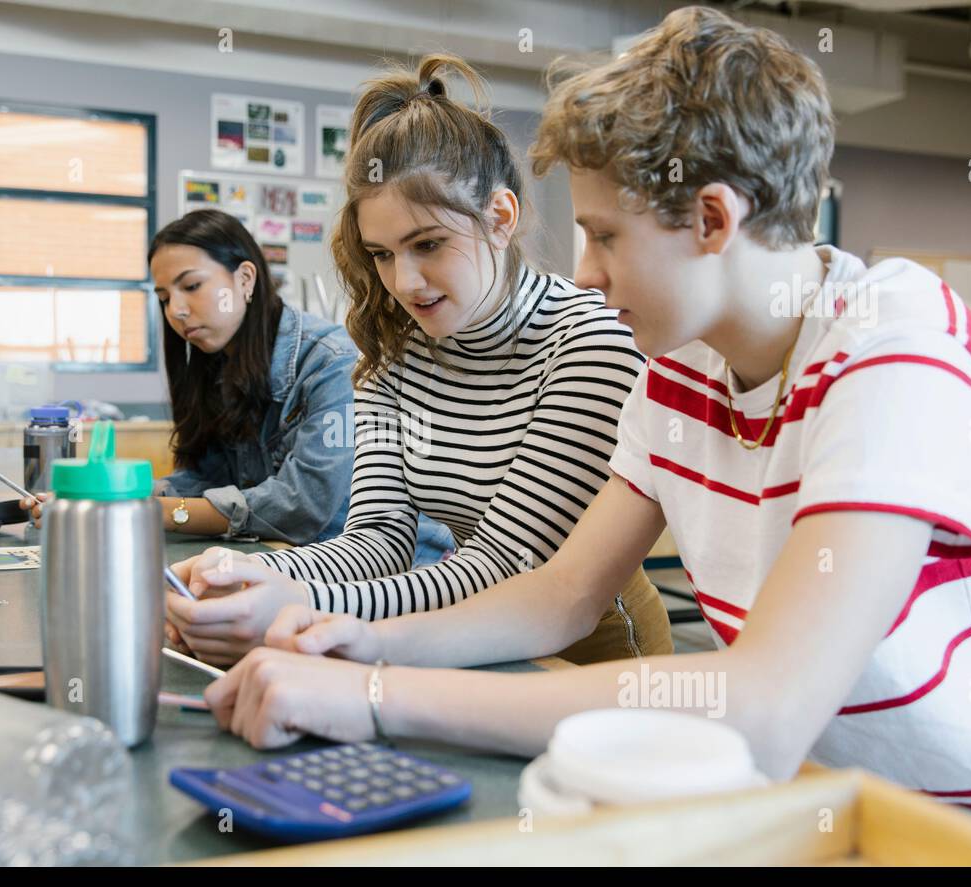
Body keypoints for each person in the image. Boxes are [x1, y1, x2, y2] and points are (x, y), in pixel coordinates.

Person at [202, 7, 971, 824]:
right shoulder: (681, 366)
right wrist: (361, 640)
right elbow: (559, 596)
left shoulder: (896, 346)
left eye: (605, 237)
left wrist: (376, 696)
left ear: (711, 220)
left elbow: (764, 712)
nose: (586, 275)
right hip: (812, 797)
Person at [164, 54, 672, 668]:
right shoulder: (394, 350)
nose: (405, 282)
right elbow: (375, 541)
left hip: (588, 653)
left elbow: (505, 565)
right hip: (448, 635)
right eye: (381, 254)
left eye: (428, 244)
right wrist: (245, 570)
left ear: (500, 217)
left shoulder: (590, 343)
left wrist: (299, 600)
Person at [23, 208, 357, 546]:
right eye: (165, 298)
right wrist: (102, 497)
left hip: (348, 578)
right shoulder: (217, 365)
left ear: (244, 279)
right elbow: (203, 479)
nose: (176, 310)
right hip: (271, 559)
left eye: (192, 286)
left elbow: (301, 505)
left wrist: (146, 509)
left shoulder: (333, 361)